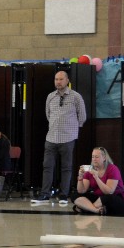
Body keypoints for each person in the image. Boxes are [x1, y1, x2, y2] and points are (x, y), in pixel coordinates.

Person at [33, 70, 86, 205]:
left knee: (66, 167)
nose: (58, 82)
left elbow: (82, 117)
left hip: (68, 138)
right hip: (51, 138)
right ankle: (45, 194)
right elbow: (48, 115)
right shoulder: (50, 97)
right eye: (56, 79)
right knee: (47, 166)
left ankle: (63, 194)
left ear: (67, 81)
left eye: (61, 79)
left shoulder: (76, 97)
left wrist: (72, 130)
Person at [73, 147, 124, 215]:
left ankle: (84, 208)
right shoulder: (90, 169)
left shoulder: (112, 169)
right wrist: (80, 178)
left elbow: (109, 191)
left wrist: (97, 178)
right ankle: (95, 210)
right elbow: (81, 191)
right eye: (93, 157)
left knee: (107, 198)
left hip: (115, 198)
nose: (94, 159)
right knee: (75, 195)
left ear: (104, 158)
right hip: (98, 198)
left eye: (97, 157)